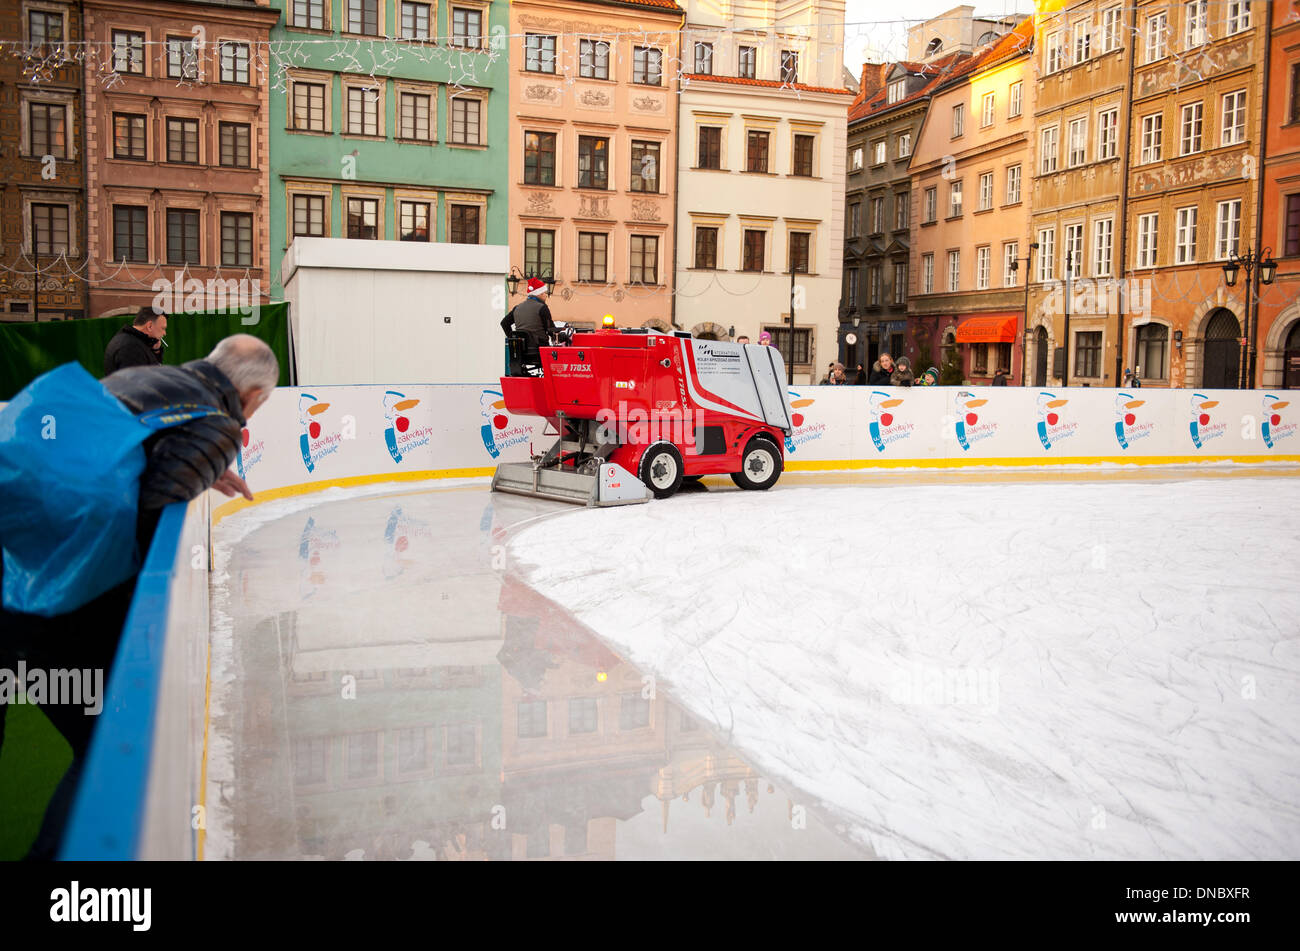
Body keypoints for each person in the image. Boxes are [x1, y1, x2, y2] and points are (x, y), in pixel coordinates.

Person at [0, 333, 278, 859]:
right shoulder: (220, 424)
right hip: (64, 597)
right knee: (104, 744)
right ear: (253, 398)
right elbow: (153, 507)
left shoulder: (143, 378)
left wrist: (198, 462)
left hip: (14, 560)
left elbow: (118, 450)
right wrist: (209, 456)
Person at [500, 278, 557, 359]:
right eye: (544, 293)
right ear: (539, 294)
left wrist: (513, 339)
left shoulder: (517, 308)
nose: (546, 295)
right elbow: (550, 328)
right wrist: (560, 335)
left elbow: (504, 323)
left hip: (520, 351)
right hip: (539, 351)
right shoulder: (542, 307)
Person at [103, 305, 167, 375]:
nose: (164, 333)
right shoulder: (130, 347)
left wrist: (156, 351)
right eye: (163, 328)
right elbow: (135, 382)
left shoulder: (135, 340)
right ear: (150, 326)